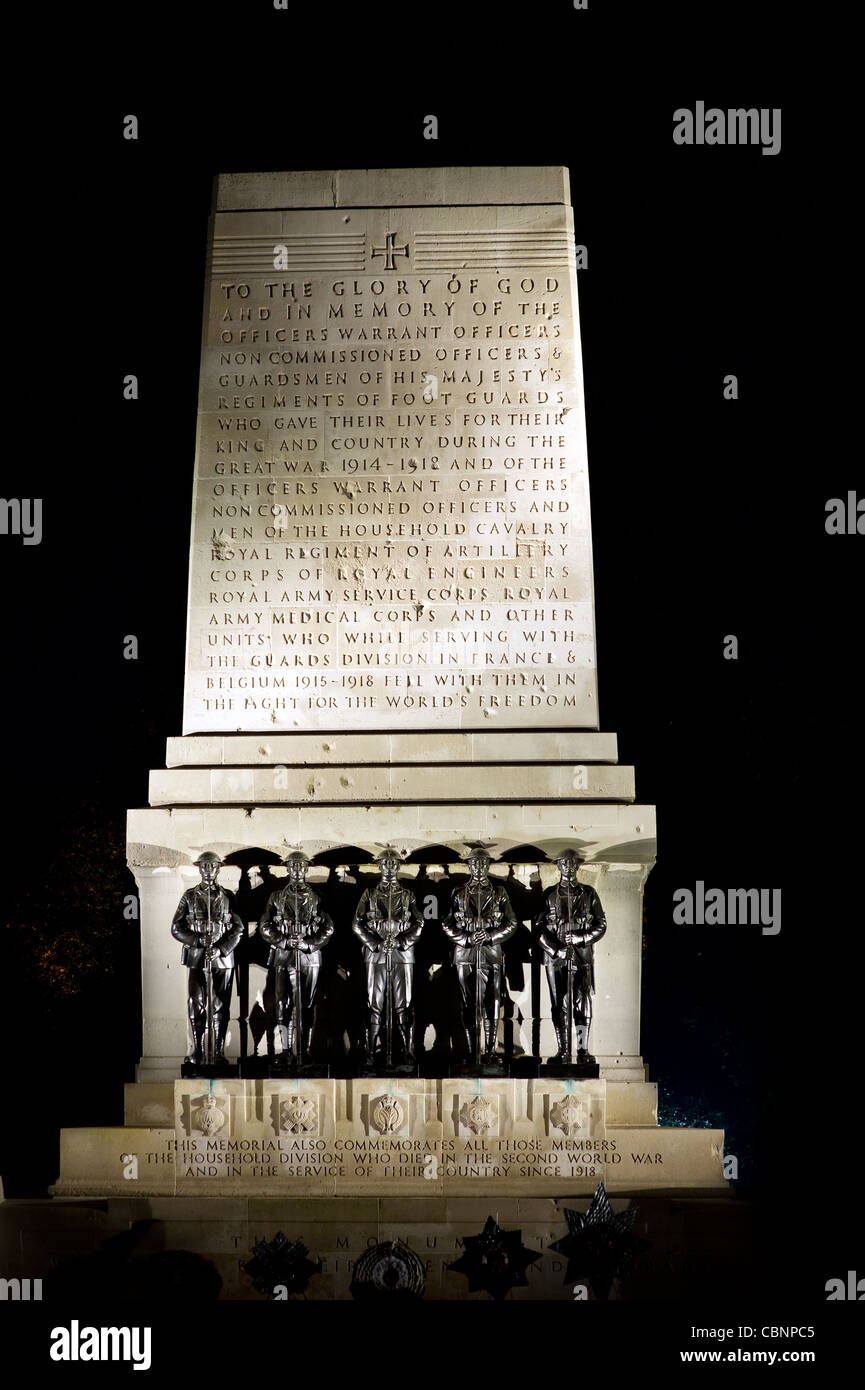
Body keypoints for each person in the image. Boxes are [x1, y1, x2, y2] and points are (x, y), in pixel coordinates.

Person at [442, 848, 517, 1063]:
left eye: (483, 863)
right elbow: (447, 923)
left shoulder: (499, 892)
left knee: (492, 1002)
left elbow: (511, 923)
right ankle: (471, 1049)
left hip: (491, 954)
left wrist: (491, 934)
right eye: (475, 863)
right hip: (465, 954)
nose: (479, 867)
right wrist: (465, 937)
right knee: (468, 1004)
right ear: (469, 866)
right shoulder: (458, 892)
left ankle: (490, 1050)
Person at [259, 851, 334, 1064]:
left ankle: (305, 1049)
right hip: (284, 957)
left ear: (306, 869)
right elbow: (265, 926)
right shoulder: (276, 897)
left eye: (302, 867)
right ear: (288, 869)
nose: (298, 871)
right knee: (282, 1004)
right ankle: (285, 1049)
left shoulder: (317, 896)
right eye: (294, 866)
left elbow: (328, 928)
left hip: (310, 957)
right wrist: (283, 941)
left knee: (307, 1005)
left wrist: (308, 944)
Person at [170, 851, 244, 1066]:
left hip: (222, 959)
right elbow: (176, 927)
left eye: (212, 866)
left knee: (220, 1004)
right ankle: (199, 1051)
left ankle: (218, 1052)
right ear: (199, 869)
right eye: (204, 866)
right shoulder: (189, 896)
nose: (208, 870)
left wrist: (221, 949)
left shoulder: (228, 896)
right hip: (197, 957)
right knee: (196, 1002)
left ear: (218, 869)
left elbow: (238, 929)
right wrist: (199, 940)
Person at [352, 848, 423, 1067]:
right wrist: (376, 943)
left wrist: (402, 941)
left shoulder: (408, 895)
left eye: (393, 864)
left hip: (402, 955)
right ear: (380, 866)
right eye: (385, 864)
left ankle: (408, 1051)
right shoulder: (369, 894)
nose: (390, 867)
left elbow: (419, 923)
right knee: (375, 1004)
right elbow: (357, 923)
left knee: (404, 1004)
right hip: (376, 956)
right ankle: (370, 1051)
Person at [537, 849, 607, 1063]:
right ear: (558, 866)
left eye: (571, 863)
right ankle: (563, 1051)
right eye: (564, 863)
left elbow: (601, 925)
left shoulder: (588, 893)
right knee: (559, 1003)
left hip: (581, 954)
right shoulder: (549, 894)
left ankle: (583, 1050)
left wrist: (580, 938)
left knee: (582, 1002)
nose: (568, 866)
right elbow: (538, 928)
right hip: (555, 957)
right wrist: (555, 949)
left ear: (577, 866)